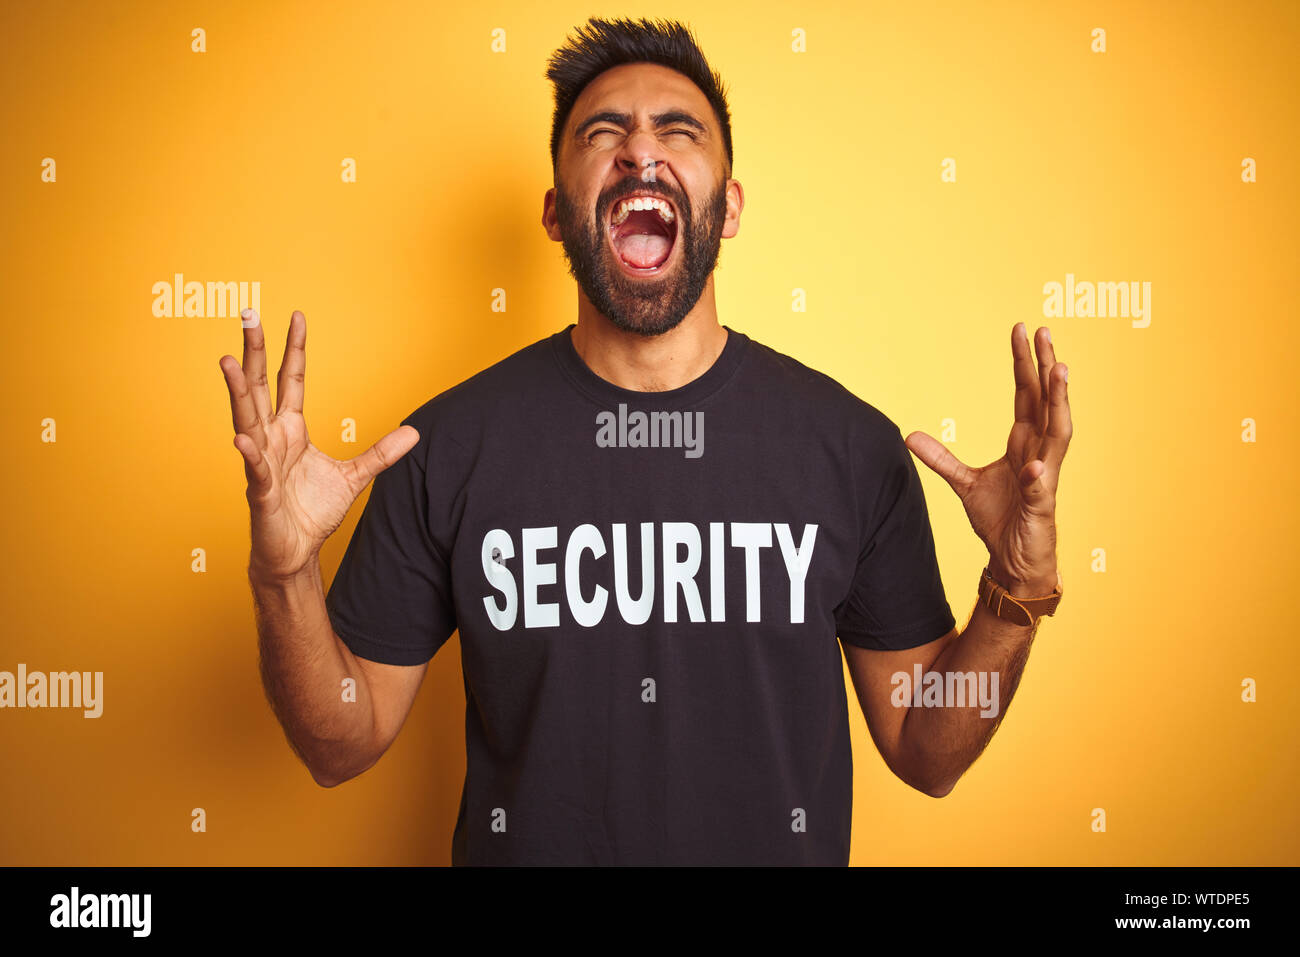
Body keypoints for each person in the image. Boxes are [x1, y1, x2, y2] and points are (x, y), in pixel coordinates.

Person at [218, 16, 1071, 866]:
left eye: (677, 129)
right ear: (556, 213)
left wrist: (1014, 590)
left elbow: (929, 750)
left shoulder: (850, 448)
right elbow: (340, 742)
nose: (640, 152)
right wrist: (284, 575)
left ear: (728, 206)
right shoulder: (444, 446)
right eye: (603, 132)